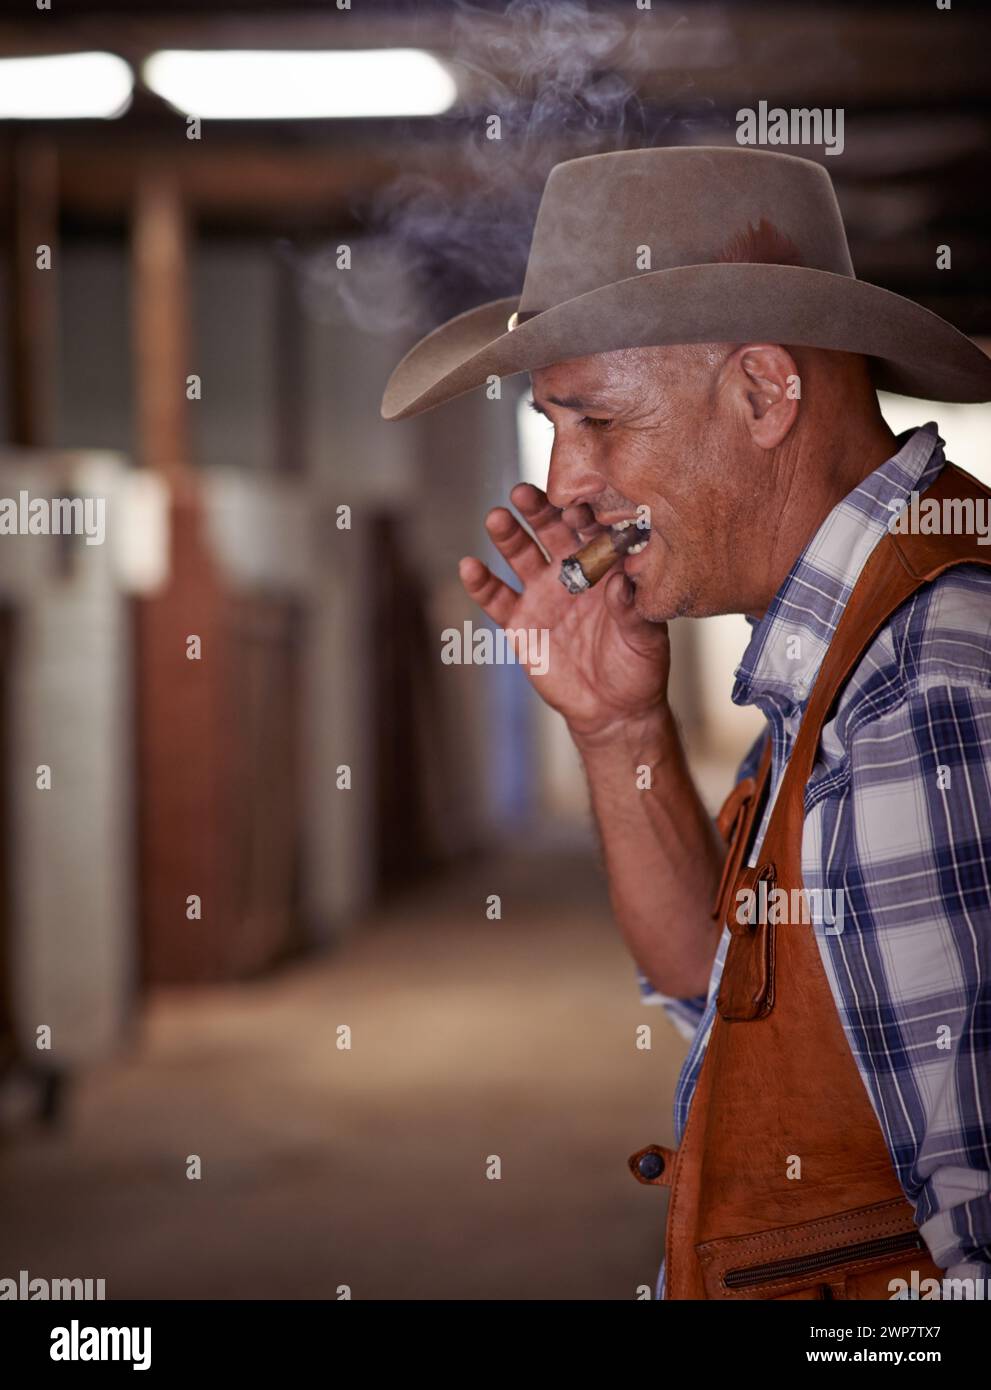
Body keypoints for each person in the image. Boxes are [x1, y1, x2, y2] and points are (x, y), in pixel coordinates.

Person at [381, 147, 991, 1299]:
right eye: (551, 425)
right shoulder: (846, 638)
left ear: (764, 392)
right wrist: (620, 733)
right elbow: (737, 998)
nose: (564, 481)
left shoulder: (919, 688)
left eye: (597, 420)